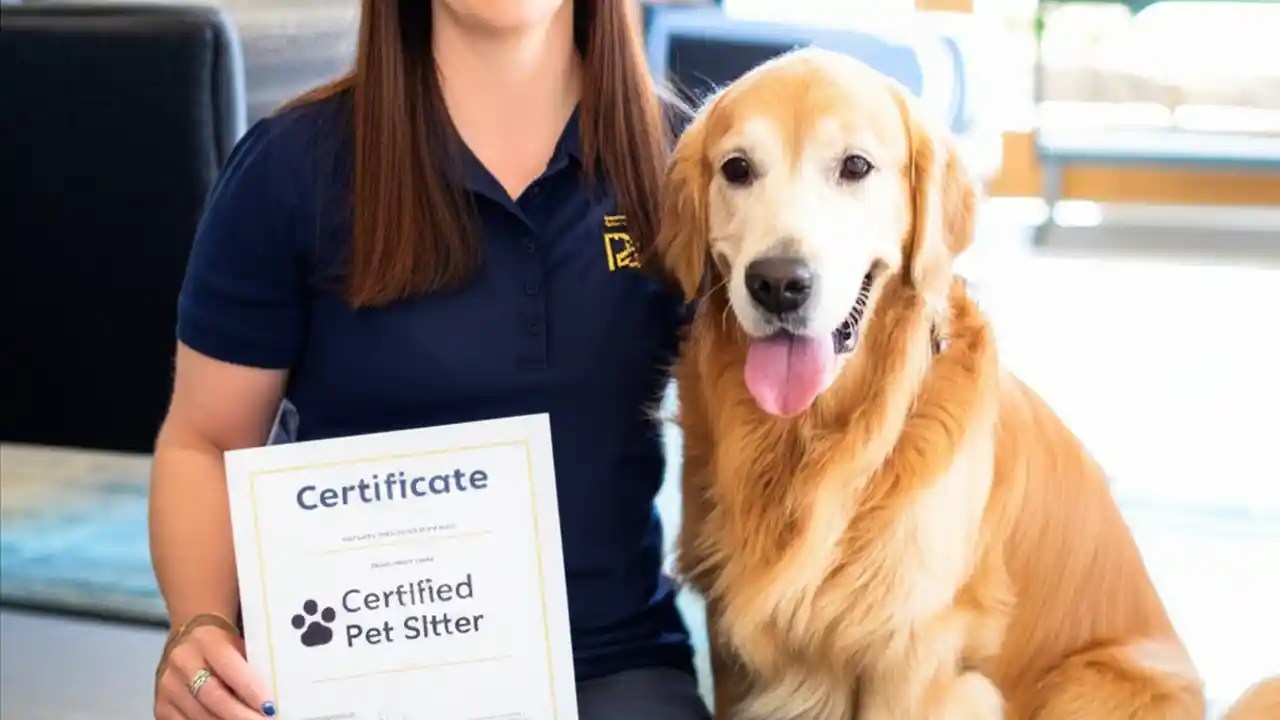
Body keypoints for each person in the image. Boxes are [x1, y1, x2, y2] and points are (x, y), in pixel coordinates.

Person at [148, 1, 707, 718]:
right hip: (351, 671)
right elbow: (207, 440)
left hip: (607, 665)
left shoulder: (691, 170)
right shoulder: (291, 168)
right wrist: (201, 631)